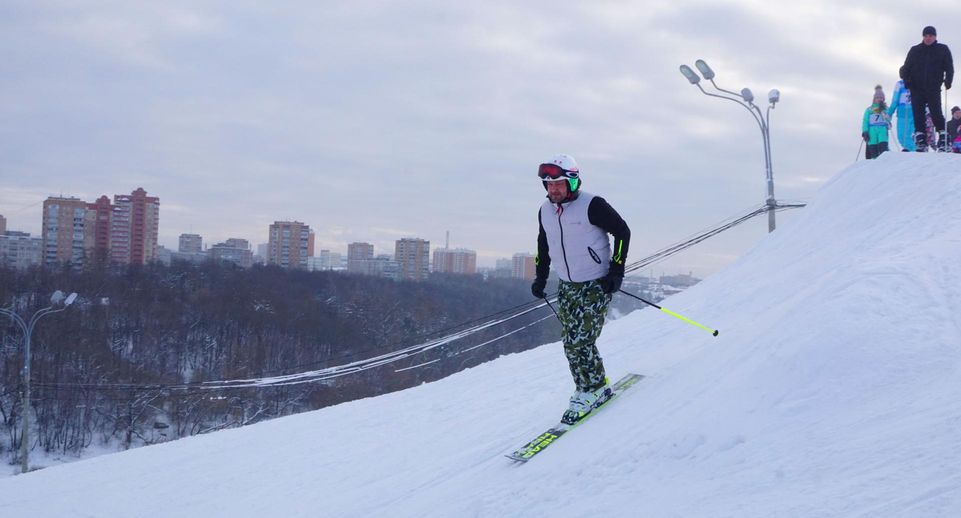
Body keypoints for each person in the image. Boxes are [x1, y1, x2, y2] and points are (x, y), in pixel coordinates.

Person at [531, 154, 630, 425]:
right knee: (571, 342)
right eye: (548, 185)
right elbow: (543, 245)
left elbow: (622, 232)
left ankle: (594, 389)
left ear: (572, 181)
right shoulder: (545, 211)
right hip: (567, 285)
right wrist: (540, 278)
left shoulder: (593, 205)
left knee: (579, 342)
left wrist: (616, 271)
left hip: (595, 283)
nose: (553, 189)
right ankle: (589, 386)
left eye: (559, 183)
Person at [899, 26, 954, 151]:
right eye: (926, 36)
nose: (928, 38)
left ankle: (943, 138)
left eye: (931, 36)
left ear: (935, 37)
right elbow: (906, 67)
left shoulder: (942, 49)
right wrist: (906, 80)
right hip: (916, 87)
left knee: (936, 113)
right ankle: (921, 140)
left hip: (933, 87)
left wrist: (948, 81)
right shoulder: (915, 50)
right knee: (918, 115)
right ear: (923, 37)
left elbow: (949, 67)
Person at [862, 85, 891, 159]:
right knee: (873, 146)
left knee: (883, 146)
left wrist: (883, 110)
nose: (879, 99)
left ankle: (884, 159)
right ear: (874, 99)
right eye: (877, 98)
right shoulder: (869, 109)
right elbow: (865, 121)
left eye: (881, 98)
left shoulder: (885, 108)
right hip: (872, 130)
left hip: (882, 129)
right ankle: (874, 160)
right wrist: (865, 131)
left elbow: (888, 118)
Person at [887, 79, 915, 151]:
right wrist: (889, 113)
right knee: (902, 137)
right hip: (902, 115)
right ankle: (911, 150)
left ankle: (914, 151)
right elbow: (895, 100)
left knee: (911, 136)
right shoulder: (900, 84)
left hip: (914, 114)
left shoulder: (917, 80)